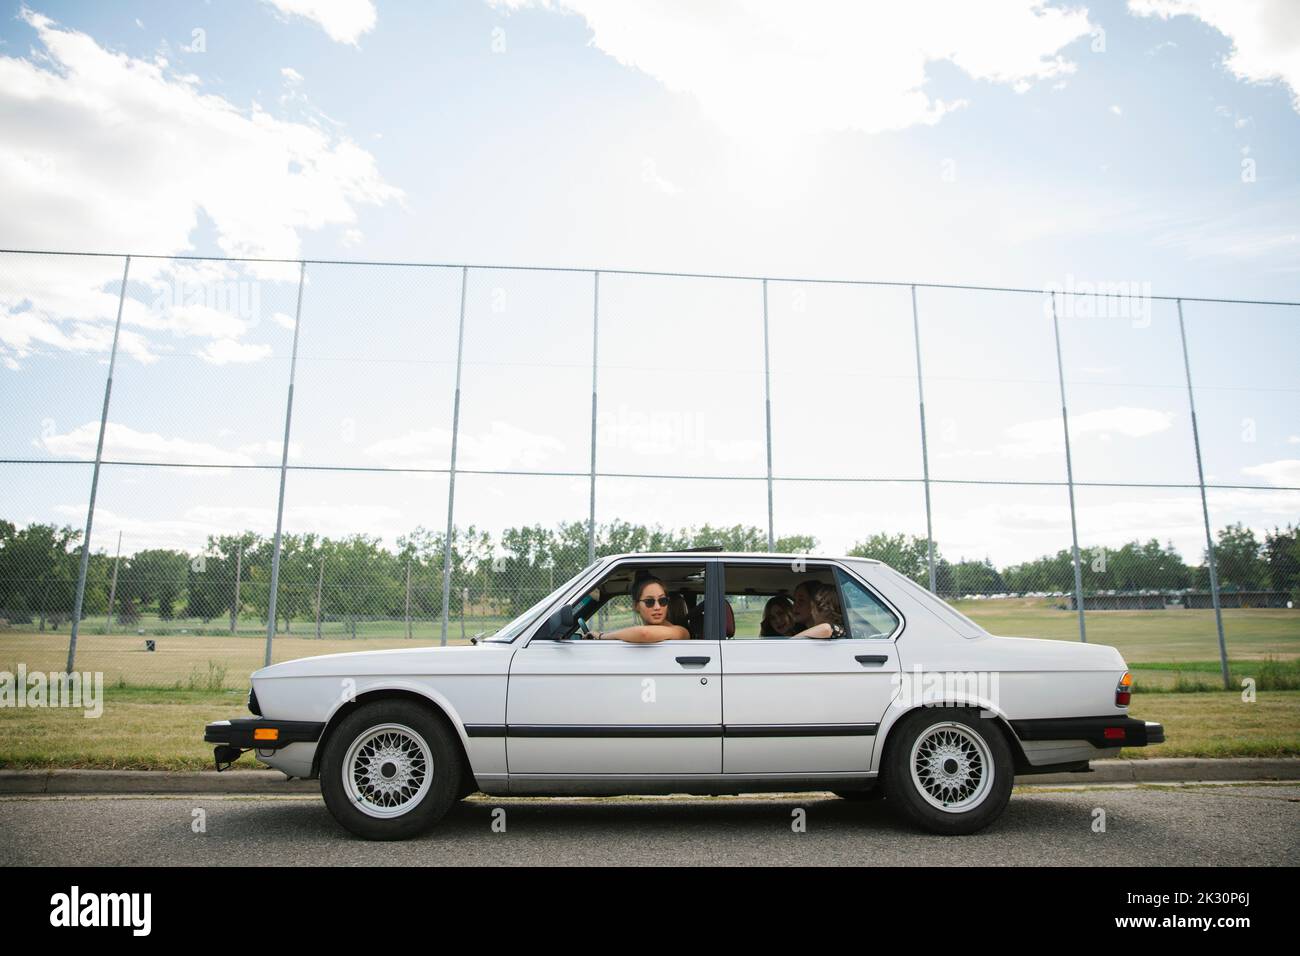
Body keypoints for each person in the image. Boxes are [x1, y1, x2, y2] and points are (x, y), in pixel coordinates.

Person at [584, 574, 691, 643]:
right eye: (649, 602)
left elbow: (644, 634)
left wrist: (601, 636)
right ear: (636, 606)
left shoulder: (681, 631)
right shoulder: (635, 634)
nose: (657, 607)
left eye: (662, 601)